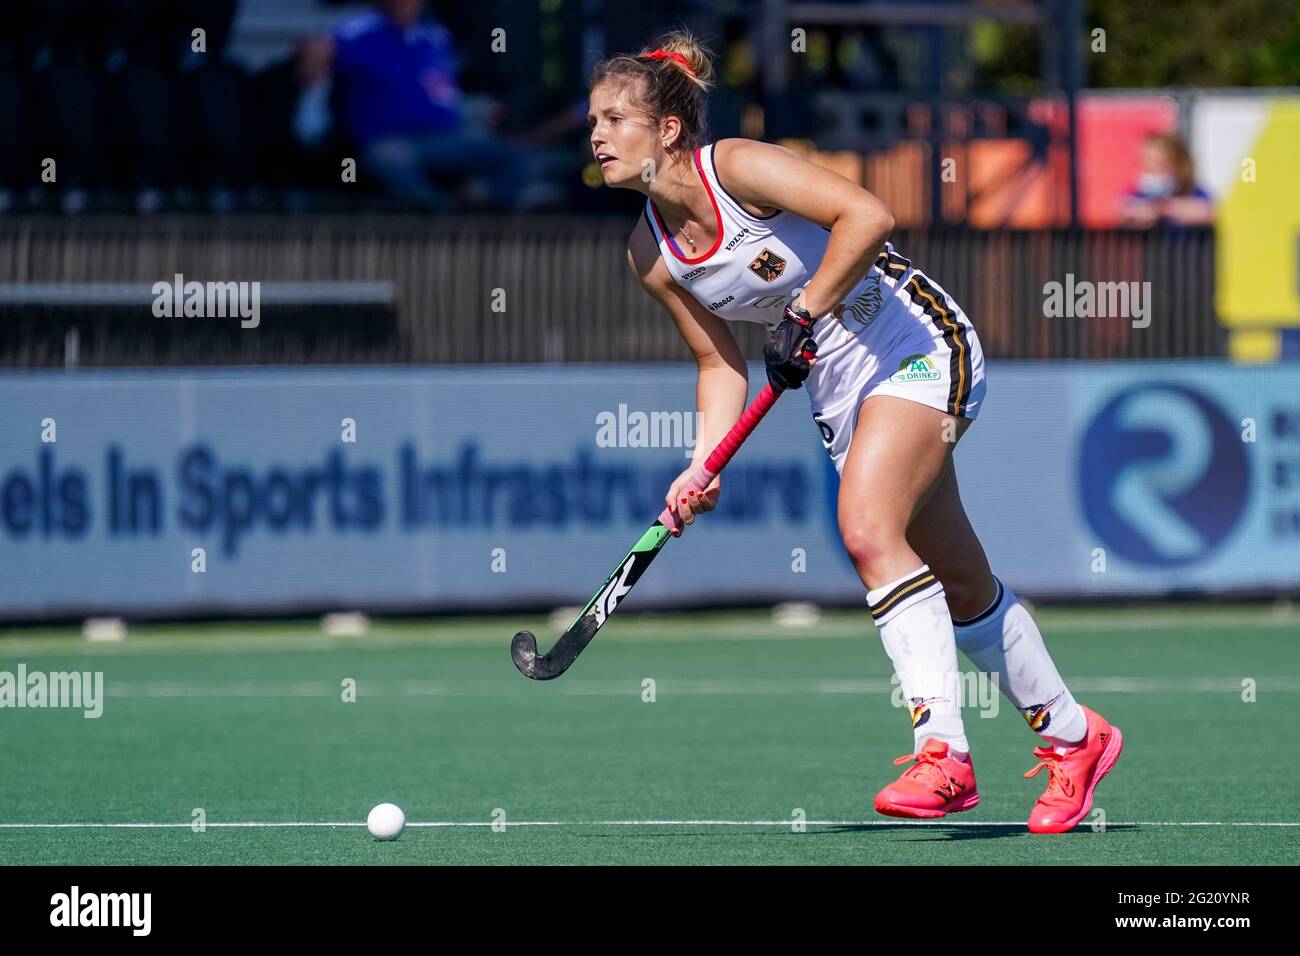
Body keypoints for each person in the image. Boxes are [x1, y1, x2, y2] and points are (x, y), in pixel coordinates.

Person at [590, 31, 1123, 832]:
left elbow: (868, 216)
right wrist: (702, 466)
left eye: (615, 120)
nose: (597, 135)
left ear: (666, 130)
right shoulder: (649, 251)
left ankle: (942, 754)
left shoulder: (733, 167)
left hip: (912, 342)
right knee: (962, 582)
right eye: (592, 121)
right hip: (841, 394)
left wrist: (803, 310)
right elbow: (718, 366)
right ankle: (1074, 737)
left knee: (869, 529)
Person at [319, 0, 529, 211]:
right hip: (386, 140)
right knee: (389, 160)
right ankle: (441, 213)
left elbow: (444, 91)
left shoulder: (435, 36)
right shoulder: (354, 34)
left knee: (513, 158)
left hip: (443, 137)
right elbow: (317, 55)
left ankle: (479, 202)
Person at [1119, 132, 1214, 229]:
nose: (1149, 167)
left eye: (1159, 162)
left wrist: (1165, 208)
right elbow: (1124, 211)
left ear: (1177, 164)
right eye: (1145, 160)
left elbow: (1210, 213)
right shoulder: (1137, 193)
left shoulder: (1194, 192)